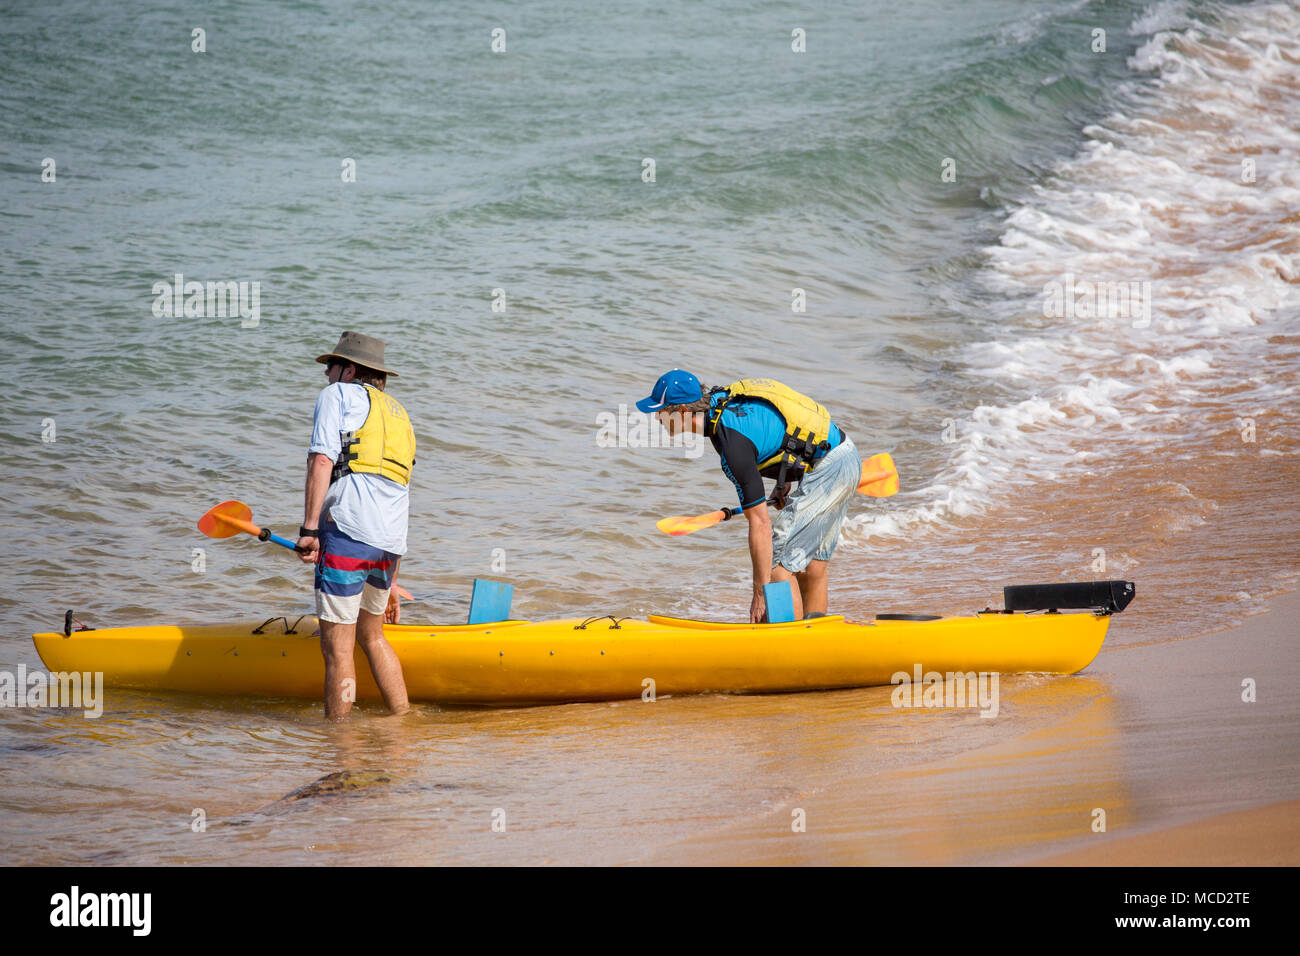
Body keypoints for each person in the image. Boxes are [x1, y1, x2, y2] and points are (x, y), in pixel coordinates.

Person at [636, 370, 861, 624]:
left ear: (685, 412)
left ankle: (793, 646)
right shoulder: (722, 404)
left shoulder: (732, 445)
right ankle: (815, 639)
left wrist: (759, 594)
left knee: (775, 563)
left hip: (828, 469)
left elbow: (760, 524)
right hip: (843, 455)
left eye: (662, 412)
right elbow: (779, 431)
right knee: (812, 565)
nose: (657, 418)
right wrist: (783, 481)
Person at [296, 331, 415, 719]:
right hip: (390, 543)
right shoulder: (400, 414)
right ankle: (403, 719)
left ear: (349, 369)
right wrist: (393, 577)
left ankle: (339, 743)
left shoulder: (336, 396)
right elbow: (394, 486)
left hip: (347, 533)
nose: (327, 375)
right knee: (373, 635)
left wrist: (310, 530)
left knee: (338, 648)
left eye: (331, 366)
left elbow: (321, 460)